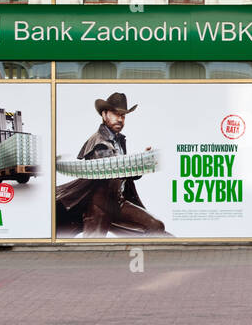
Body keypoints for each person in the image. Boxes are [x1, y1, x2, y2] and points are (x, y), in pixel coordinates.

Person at [55, 92, 169, 236]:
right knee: (92, 249)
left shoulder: (117, 139)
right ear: (104, 115)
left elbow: (124, 171)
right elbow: (114, 168)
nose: (120, 119)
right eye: (116, 114)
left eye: (123, 115)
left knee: (156, 226)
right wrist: (143, 162)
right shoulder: (99, 143)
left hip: (117, 203)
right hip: (98, 208)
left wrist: (143, 161)